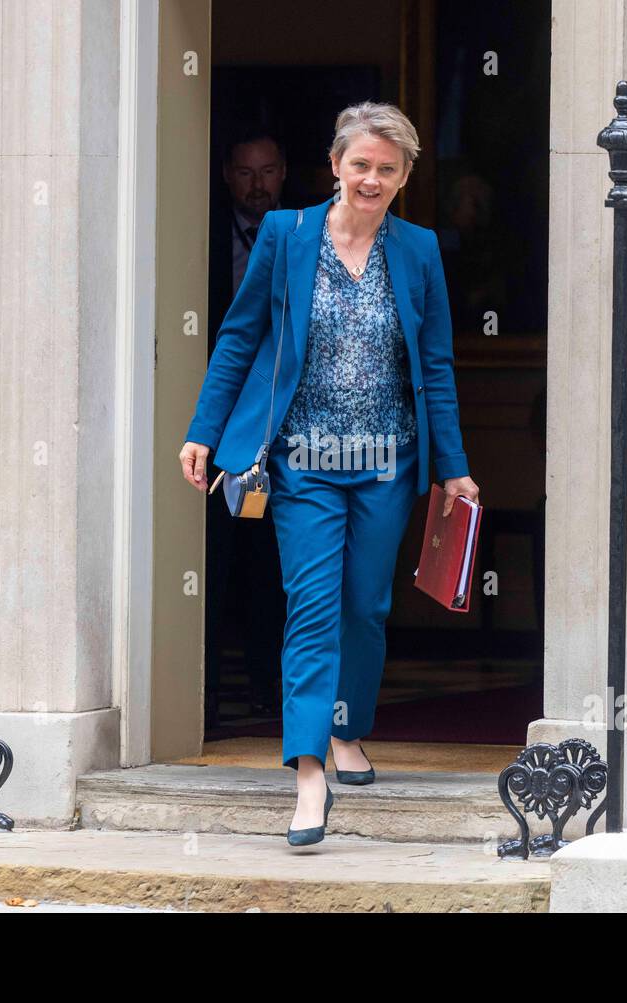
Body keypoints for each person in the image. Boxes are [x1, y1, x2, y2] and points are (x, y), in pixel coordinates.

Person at [179, 102, 480, 848]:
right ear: (335, 163)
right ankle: (309, 770)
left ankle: (348, 728)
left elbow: (435, 365)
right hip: (303, 461)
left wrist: (454, 469)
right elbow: (241, 334)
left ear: (406, 175)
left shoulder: (418, 250)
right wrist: (205, 430)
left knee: (365, 605)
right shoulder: (286, 235)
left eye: (387, 168)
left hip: (386, 464)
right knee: (311, 605)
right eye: (360, 164)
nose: (371, 178)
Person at [204, 125, 291, 723]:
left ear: (283, 173)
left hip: (288, 423)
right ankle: (200, 690)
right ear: (225, 176)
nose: (256, 185)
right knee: (214, 556)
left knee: (274, 563)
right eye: (244, 173)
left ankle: (273, 687)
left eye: (266, 172)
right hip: (221, 420)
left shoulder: (307, 233)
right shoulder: (200, 233)